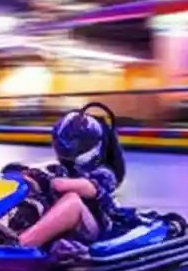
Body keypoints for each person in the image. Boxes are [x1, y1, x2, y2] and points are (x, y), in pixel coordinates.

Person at [13, 106, 124, 250]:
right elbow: (41, 174)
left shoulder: (104, 173)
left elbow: (86, 188)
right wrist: (23, 175)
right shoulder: (59, 168)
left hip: (96, 229)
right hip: (66, 225)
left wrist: (48, 181)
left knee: (73, 202)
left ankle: (21, 245)